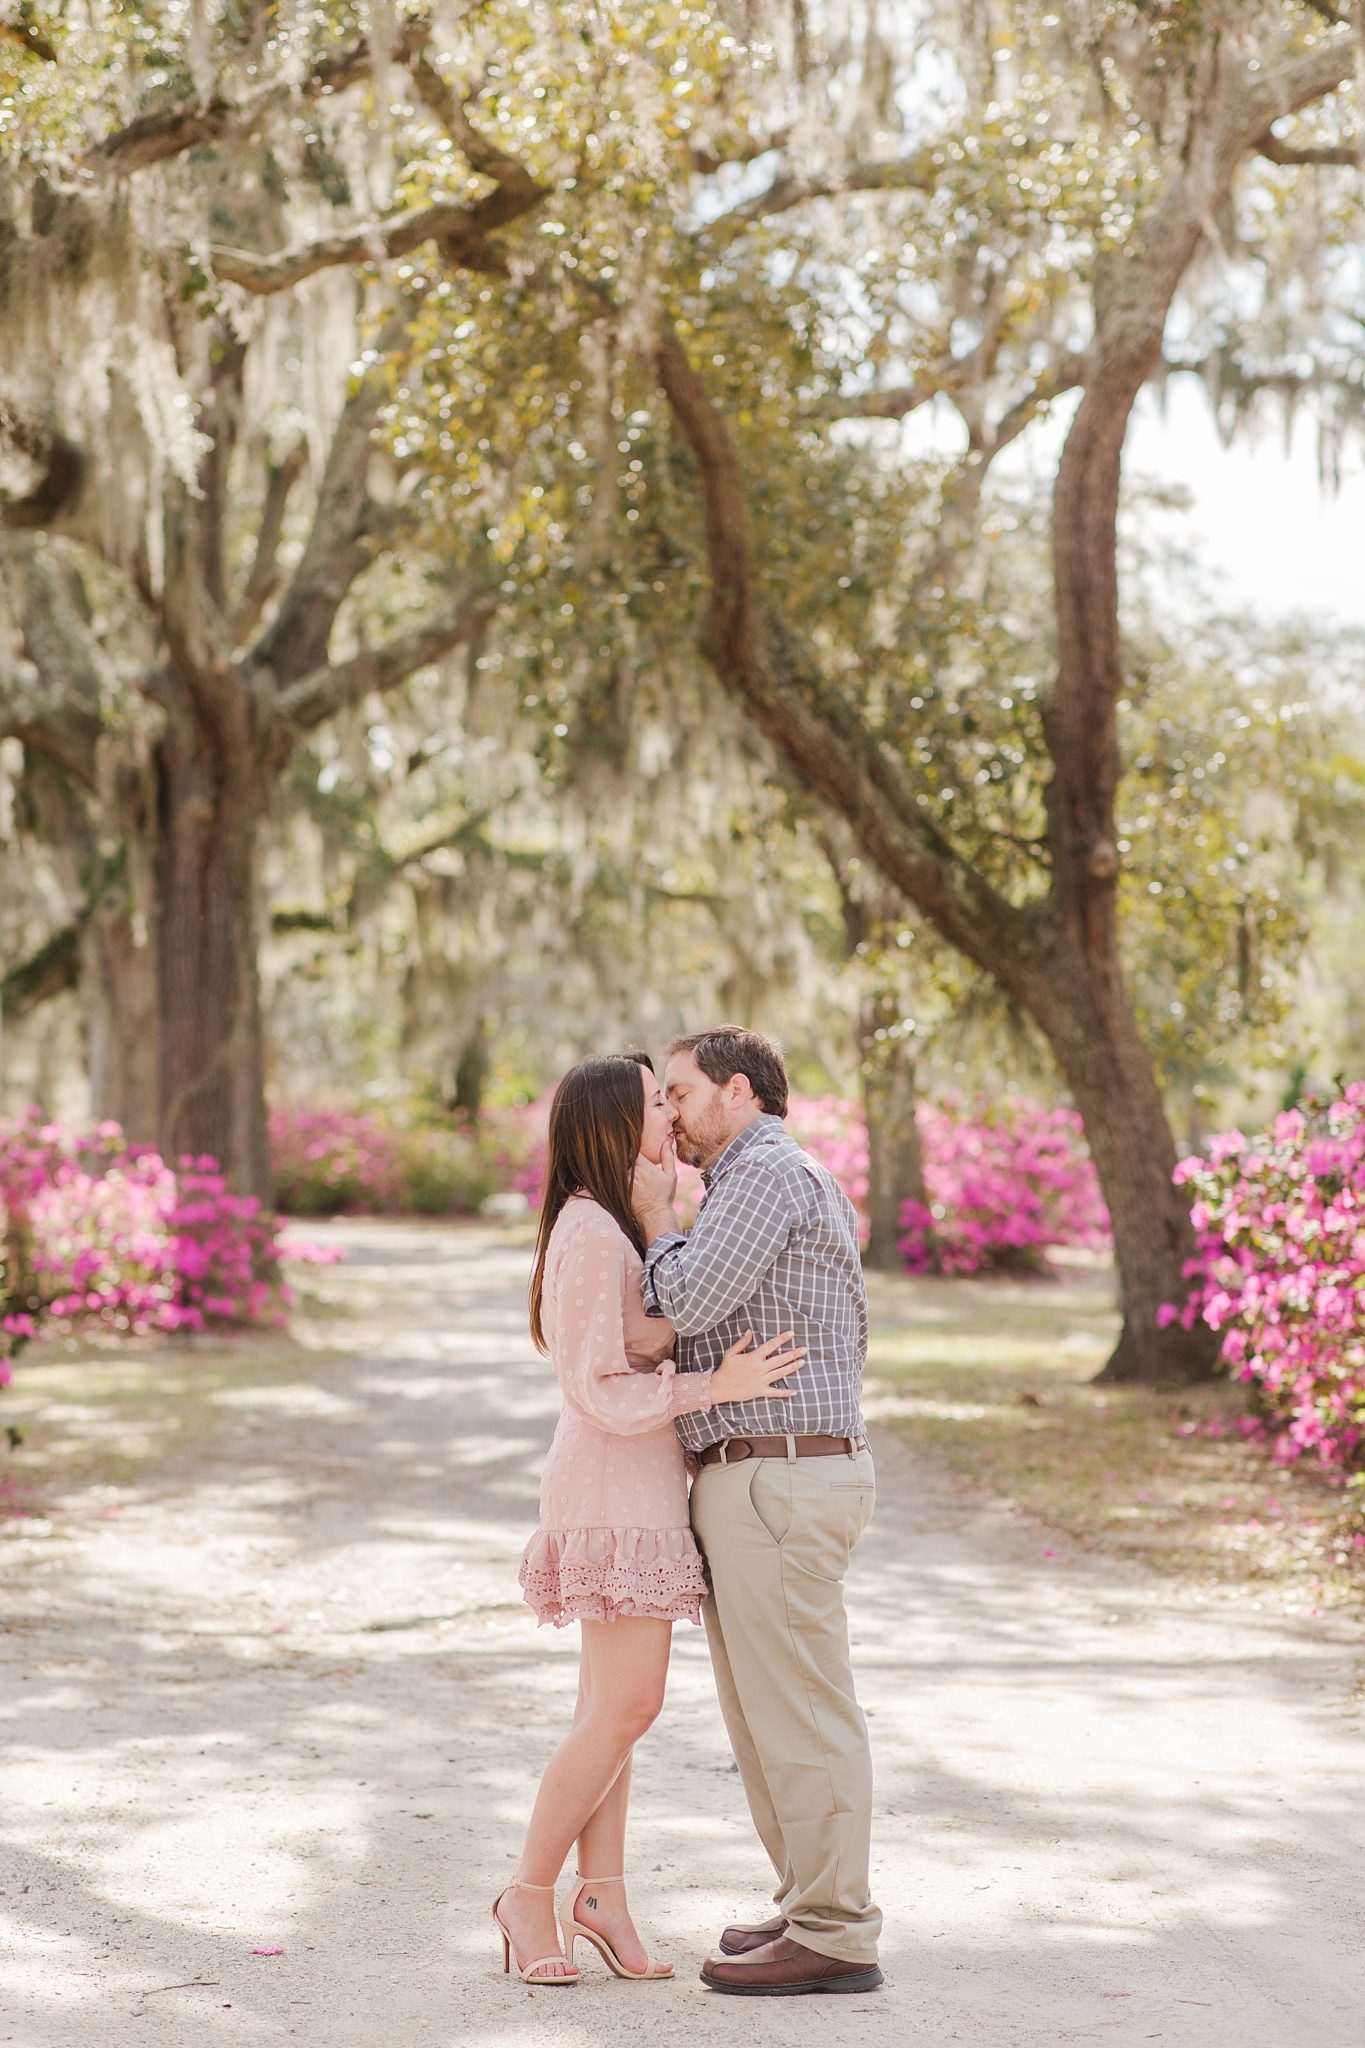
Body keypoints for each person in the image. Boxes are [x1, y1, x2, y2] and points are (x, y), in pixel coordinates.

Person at [494, 1051, 806, 1986]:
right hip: (608, 1488)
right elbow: (595, 1387)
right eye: (652, 1105)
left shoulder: (614, 1224)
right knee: (629, 1706)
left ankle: (603, 1896)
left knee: (611, 1714)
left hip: (639, 1485)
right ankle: (526, 1891)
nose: (670, 1116)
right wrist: (716, 1383)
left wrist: (660, 1216)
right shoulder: (588, 1232)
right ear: (610, 1125)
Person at [633, 1025, 884, 1997]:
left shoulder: (766, 1173)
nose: (671, 1113)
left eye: (682, 1092)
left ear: (740, 1091)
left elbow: (688, 1299)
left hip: (780, 1476)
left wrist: (656, 1220)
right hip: (762, 1473)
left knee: (803, 1709)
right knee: (763, 1712)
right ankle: (814, 1898)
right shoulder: (752, 1182)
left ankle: (837, 1929)